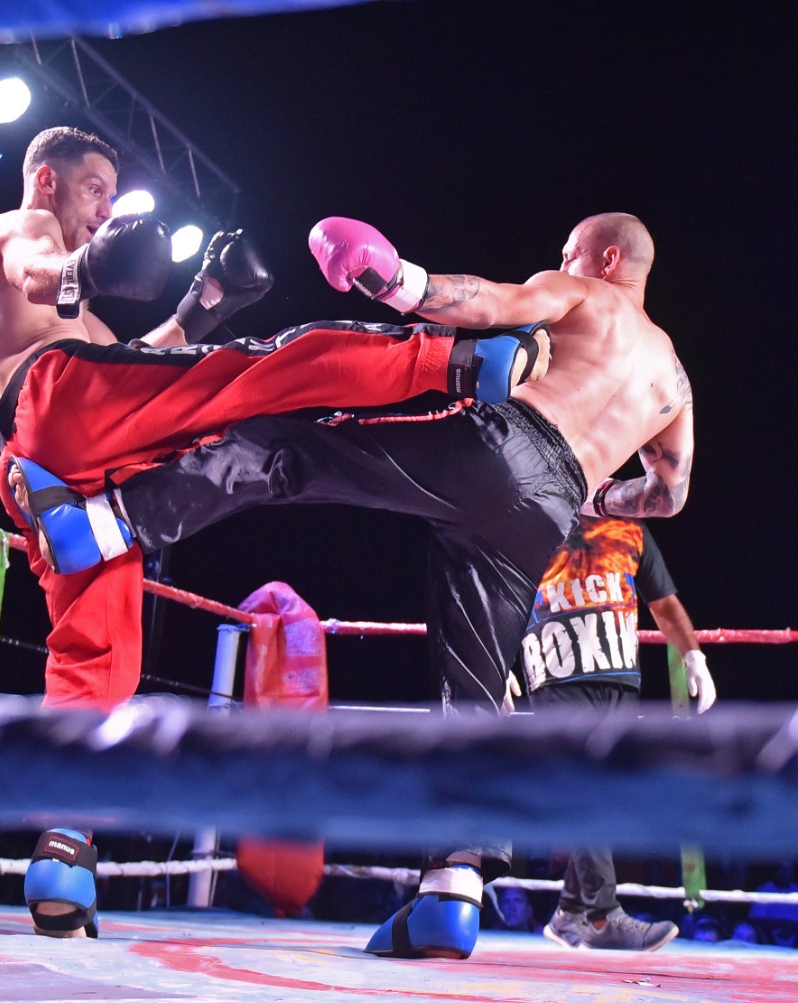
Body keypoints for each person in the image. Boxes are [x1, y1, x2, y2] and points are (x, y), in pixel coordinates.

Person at [43, 213, 696, 960]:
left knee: (295, 446)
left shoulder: (591, 298)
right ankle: (452, 892)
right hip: (548, 512)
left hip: (503, 447)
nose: (562, 256)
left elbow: (488, 303)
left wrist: (396, 279)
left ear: (608, 257)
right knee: (474, 696)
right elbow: (669, 494)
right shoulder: (671, 378)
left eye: (572, 248)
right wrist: (598, 502)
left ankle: (107, 524)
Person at [0, 129, 549, 937]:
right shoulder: (14, 229)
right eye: (94, 188)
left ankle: (64, 856)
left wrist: (202, 306)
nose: (103, 208)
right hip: (57, 404)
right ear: (46, 179)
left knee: (97, 654)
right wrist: (82, 269)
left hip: (58, 475)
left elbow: (140, 364)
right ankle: (451, 362)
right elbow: (43, 272)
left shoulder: (72, 317)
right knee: (265, 372)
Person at [521, 516, 713, 953]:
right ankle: (604, 918)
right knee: (587, 792)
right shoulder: (535, 519)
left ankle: (570, 915)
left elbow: (663, 603)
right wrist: (498, 671)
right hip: (556, 676)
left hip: (620, 676)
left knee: (605, 797)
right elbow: (503, 595)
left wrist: (692, 654)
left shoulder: (631, 530)